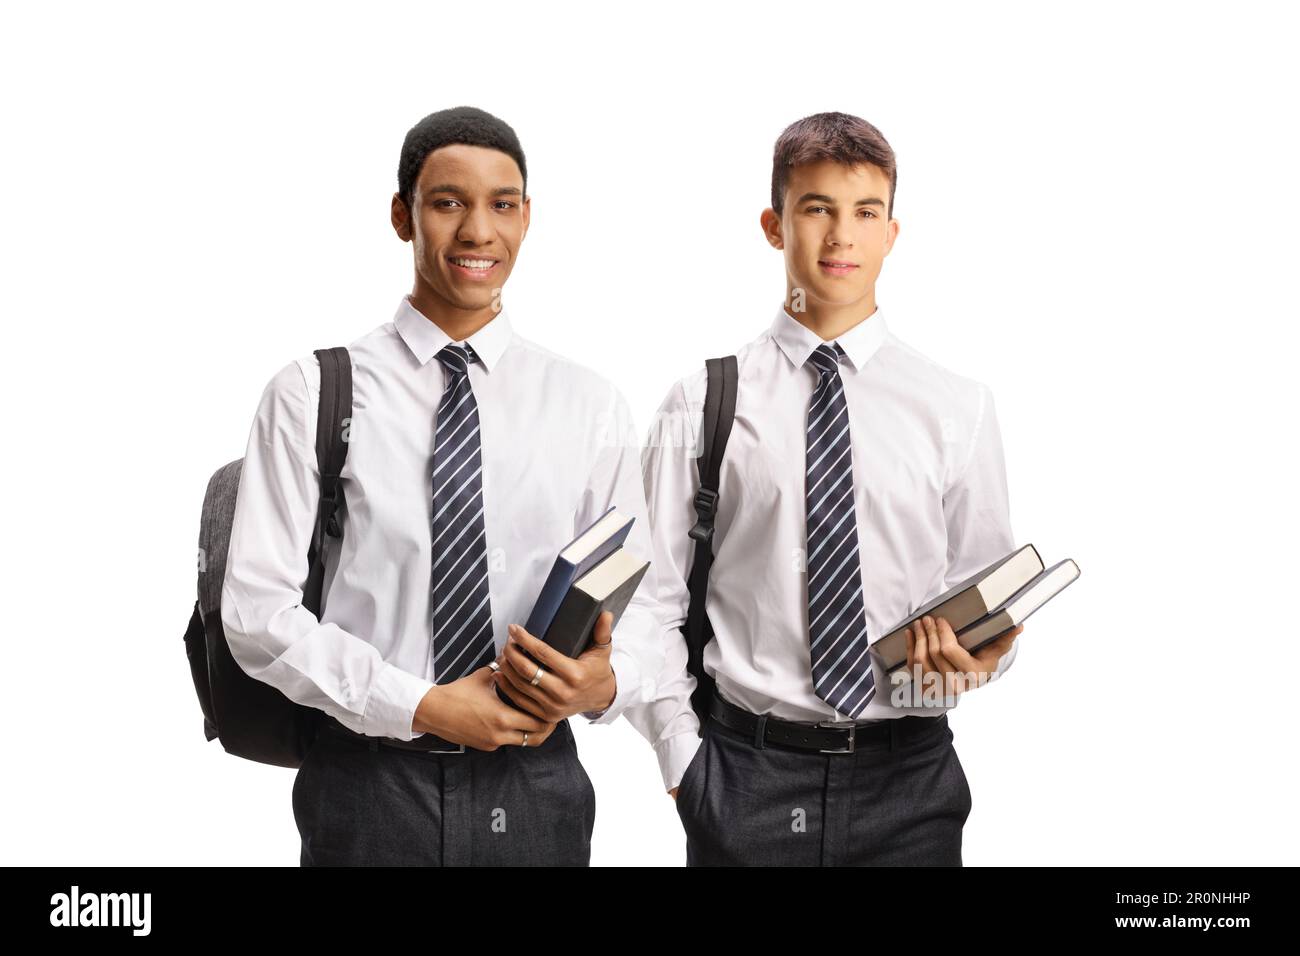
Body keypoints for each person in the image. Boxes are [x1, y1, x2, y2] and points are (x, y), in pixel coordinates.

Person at [221, 105, 663, 866]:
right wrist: (421, 704)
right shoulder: (314, 393)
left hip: (536, 784)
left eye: (503, 204)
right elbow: (257, 612)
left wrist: (604, 681)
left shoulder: (588, 403)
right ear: (403, 216)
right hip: (369, 783)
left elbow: (647, 602)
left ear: (526, 218)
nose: (478, 231)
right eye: (448, 202)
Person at [628, 111, 1025, 866]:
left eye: (866, 213)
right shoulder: (704, 402)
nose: (843, 236)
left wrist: (982, 661)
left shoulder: (956, 405)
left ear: (891, 233)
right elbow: (649, 603)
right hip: (746, 777)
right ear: (774, 225)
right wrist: (684, 764)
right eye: (817, 209)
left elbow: (987, 599)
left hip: (910, 778)